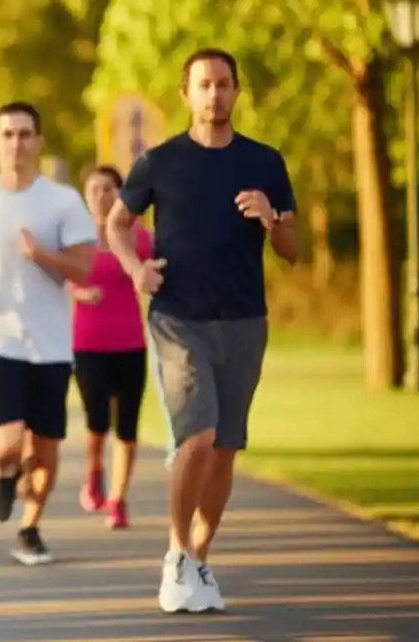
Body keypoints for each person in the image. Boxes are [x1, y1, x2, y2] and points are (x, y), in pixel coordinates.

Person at [106, 48, 298, 613]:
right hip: (177, 317)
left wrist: (270, 217)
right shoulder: (159, 163)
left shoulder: (265, 163)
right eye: (203, 85)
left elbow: (292, 251)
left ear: (238, 92)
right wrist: (135, 268)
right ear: (186, 93)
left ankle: (200, 556)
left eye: (223, 84)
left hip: (243, 321)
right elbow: (118, 223)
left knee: (225, 448)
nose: (214, 94)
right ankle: (174, 555)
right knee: (196, 435)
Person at [0, 101, 96, 567]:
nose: (17, 143)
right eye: (8, 134)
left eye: (25, 134)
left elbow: (85, 268)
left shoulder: (63, 201)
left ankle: (30, 527)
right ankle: (6, 476)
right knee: (7, 442)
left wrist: (42, 257)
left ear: (39, 141)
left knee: (46, 448)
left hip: (51, 341)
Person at [68, 165, 153, 530]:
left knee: (127, 427)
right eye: (94, 190)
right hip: (87, 343)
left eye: (109, 189)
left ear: (121, 194)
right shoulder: (74, 238)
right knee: (97, 423)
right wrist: (79, 292)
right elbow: (58, 277)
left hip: (131, 342)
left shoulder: (140, 237)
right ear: (85, 197)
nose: (101, 196)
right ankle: (94, 470)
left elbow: (155, 273)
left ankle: (118, 498)